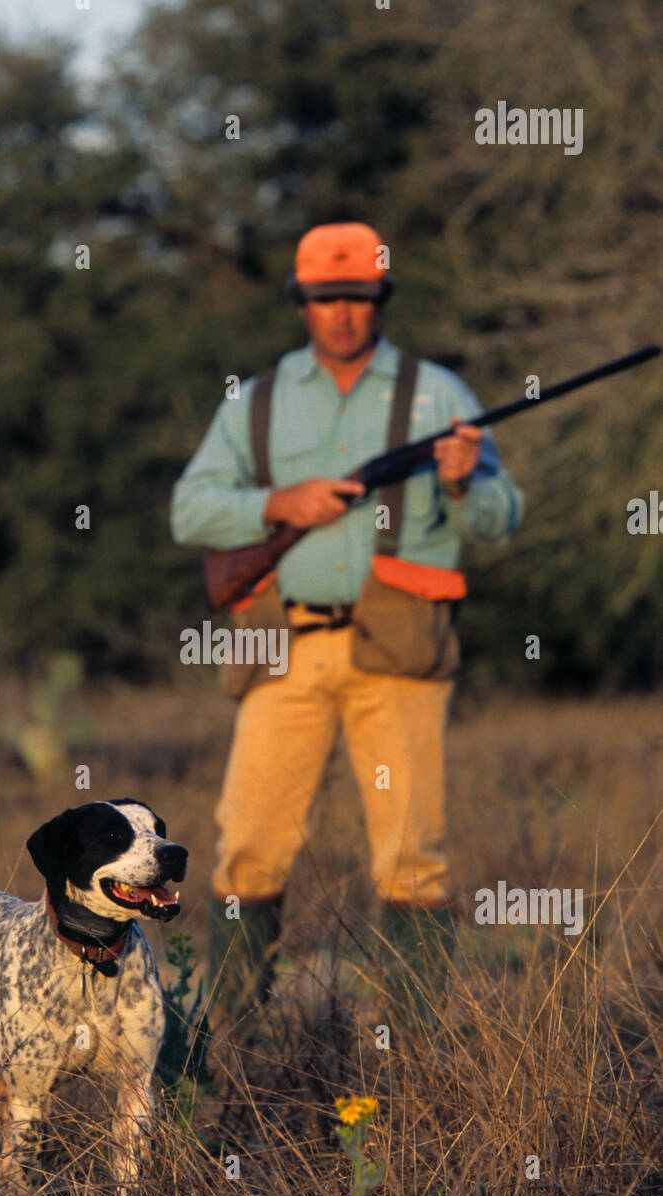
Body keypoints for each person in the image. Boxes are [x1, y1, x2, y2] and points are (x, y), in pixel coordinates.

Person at [171, 222, 524, 1028]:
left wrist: (469, 484)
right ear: (300, 302)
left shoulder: (440, 396)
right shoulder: (253, 401)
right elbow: (188, 510)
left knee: (411, 855)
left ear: (380, 299)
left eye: (357, 298)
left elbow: (505, 520)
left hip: (398, 651)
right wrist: (275, 505)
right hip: (279, 650)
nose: (341, 314)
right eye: (325, 298)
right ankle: (230, 1047)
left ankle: (415, 1057)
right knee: (249, 846)